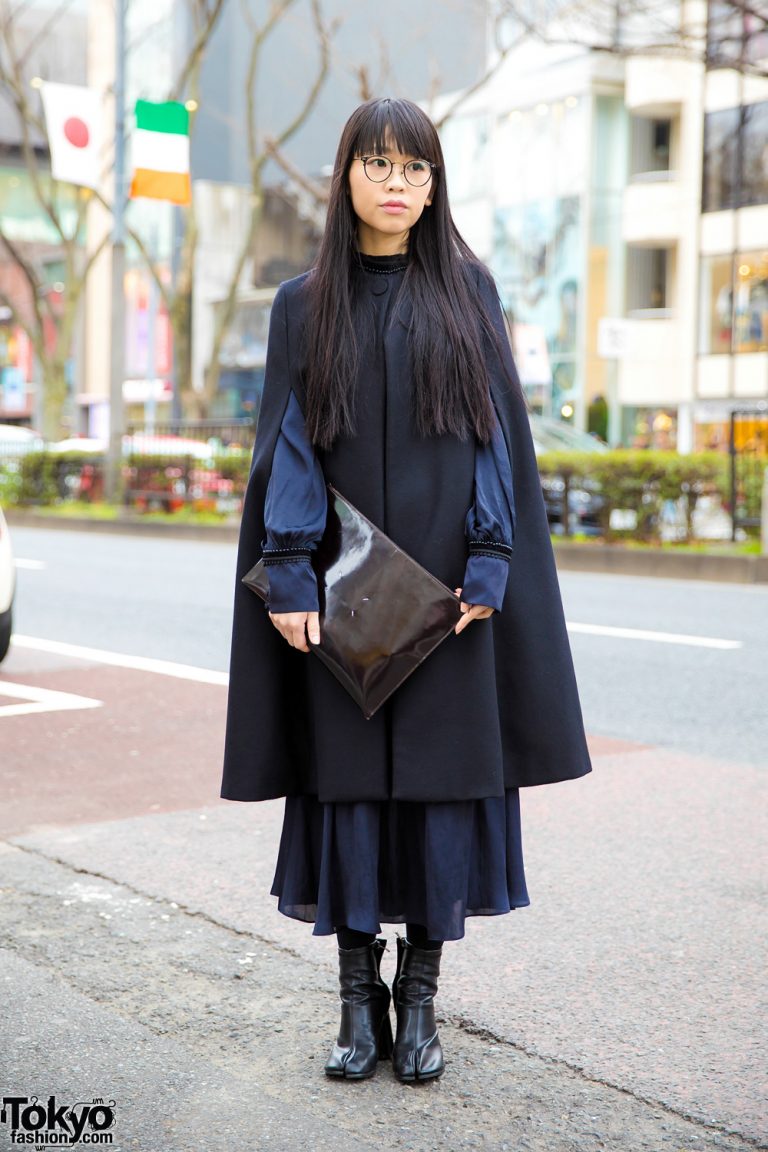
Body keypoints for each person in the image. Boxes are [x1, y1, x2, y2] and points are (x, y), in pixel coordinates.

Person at [222, 97, 592, 1084]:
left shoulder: (469, 291)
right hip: (343, 595)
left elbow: (492, 439)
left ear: (435, 184)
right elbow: (288, 449)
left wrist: (493, 557)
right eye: (380, 164)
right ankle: (358, 1004)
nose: (399, 183)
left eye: (417, 169)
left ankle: (421, 1002)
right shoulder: (304, 303)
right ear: (345, 176)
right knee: (346, 790)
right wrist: (289, 571)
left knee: (435, 793)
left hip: (447, 599)